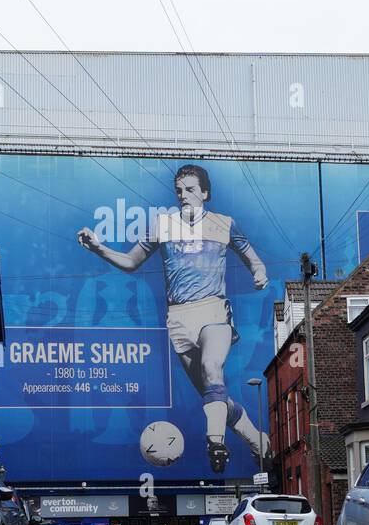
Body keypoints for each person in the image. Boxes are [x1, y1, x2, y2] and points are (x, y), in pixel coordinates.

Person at [78, 164, 269, 474]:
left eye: (191, 190)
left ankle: (215, 443)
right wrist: (98, 248)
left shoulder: (224, 224)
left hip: (213, 310)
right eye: (180, 191)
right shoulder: (163, 225)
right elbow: (130, 262)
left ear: (205, 193)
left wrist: (259, 273)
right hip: (178, 319)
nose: (185, 196)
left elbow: (254, 260)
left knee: (212, 368)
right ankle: (256, 440)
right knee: (213, 393)